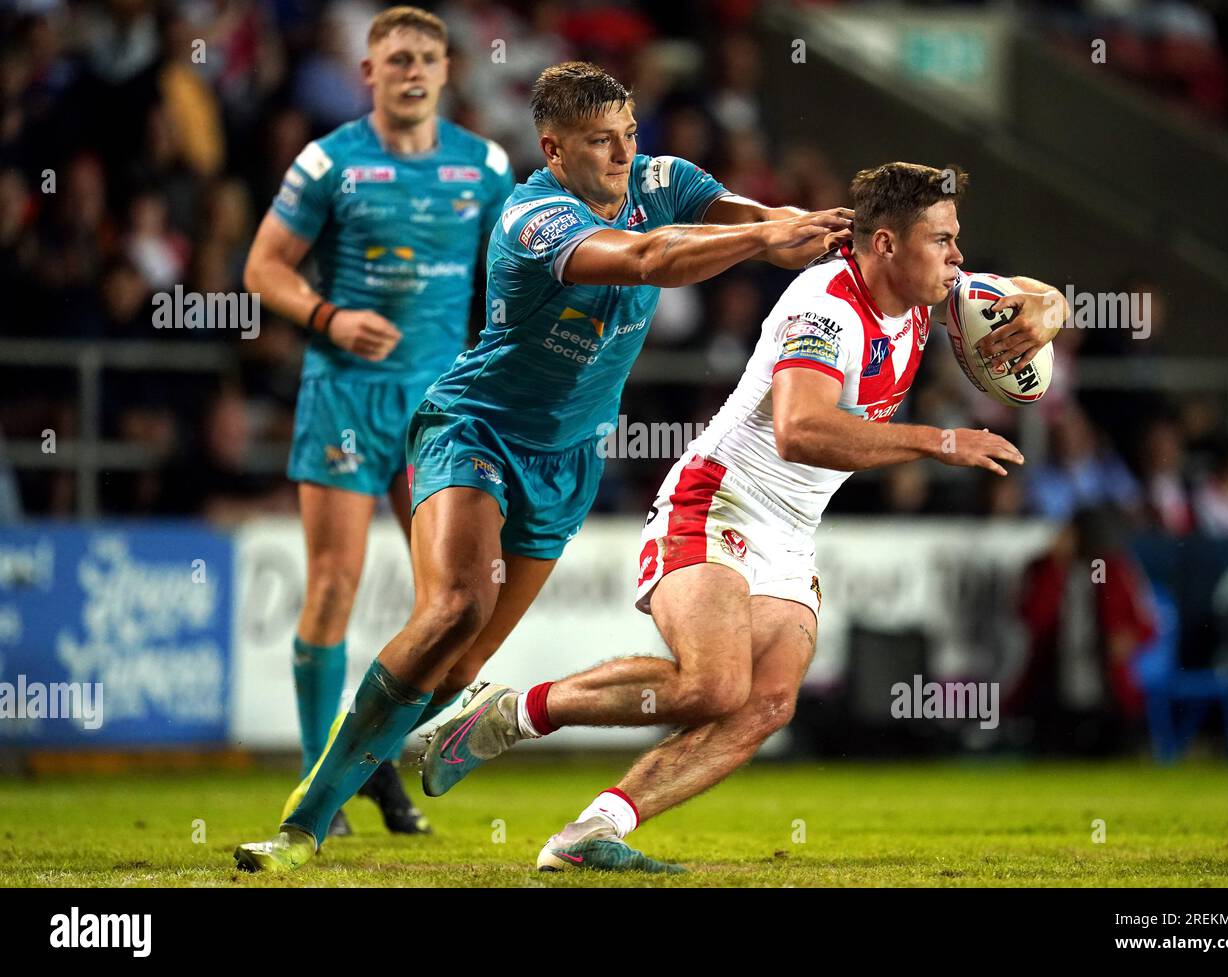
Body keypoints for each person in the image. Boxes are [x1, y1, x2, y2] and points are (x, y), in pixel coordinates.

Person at [234, 60, 853, 872]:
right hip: (475, 429)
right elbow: (648, 260)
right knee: (456, 605)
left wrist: (819, 230)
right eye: (601, 142)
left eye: (629, 135)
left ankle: (423, 740)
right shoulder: (533, 218)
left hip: (567, 460)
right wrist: (762, 237)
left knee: (462, 663)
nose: (623, 154)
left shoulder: (662, 177)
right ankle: (302, 825)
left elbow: (755, 218)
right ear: (554, 149)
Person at [420, 162, 1068, 872]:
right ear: (885, 244)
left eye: (956, 240)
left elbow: (1029, 298)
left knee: (766, 703)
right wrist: (939, 441)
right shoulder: (825, 303)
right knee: (713, 685)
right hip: (718, 500)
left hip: (790, 535)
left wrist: (1051, 311)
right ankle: (510, 712)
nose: (958, 258)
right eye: (942, 241)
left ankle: (592, 830)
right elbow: (800, 430)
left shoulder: (924, 292)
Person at [242, 6, 514, 837]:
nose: (413, 70)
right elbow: (262, 268)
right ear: (369, 72)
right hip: (345, 397)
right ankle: (315, 778)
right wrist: (327, 319)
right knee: (331, 585)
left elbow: (515, 272)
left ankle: (374, 765)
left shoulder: (486, 165)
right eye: (396, 58)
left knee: (447, 604)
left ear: (445, 70)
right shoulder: (330, 161)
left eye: (427, 57)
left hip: (438, 410)